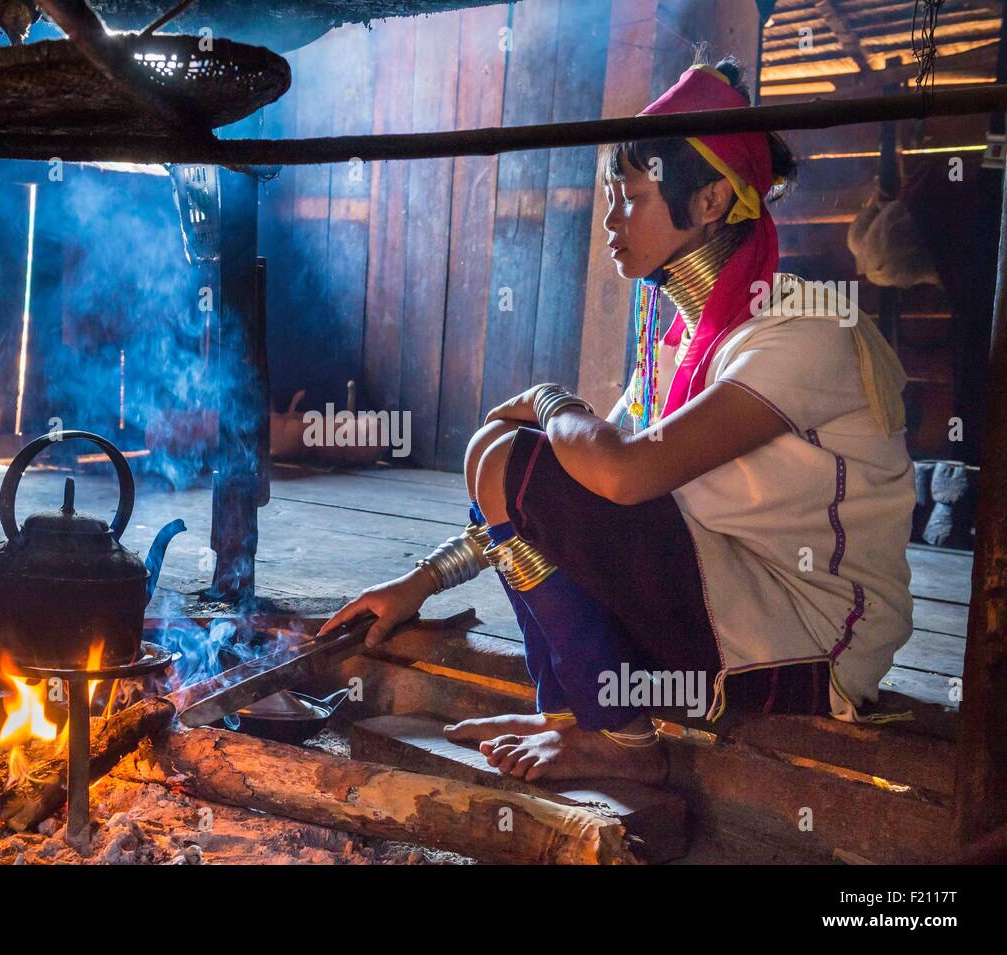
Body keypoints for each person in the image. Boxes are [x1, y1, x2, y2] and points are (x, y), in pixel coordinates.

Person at [320, 55, 914, 786]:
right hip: (728, 611)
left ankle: (620, 739)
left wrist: (549, 399)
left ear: (705, 206)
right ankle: (574, 715)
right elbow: (555, 501)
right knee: (511, 457)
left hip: (809, 649)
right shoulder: (681, 345)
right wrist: (419, 583)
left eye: (629, 196)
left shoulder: (804, 331)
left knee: (512, 452)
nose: (610, 219)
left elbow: (622, 475)